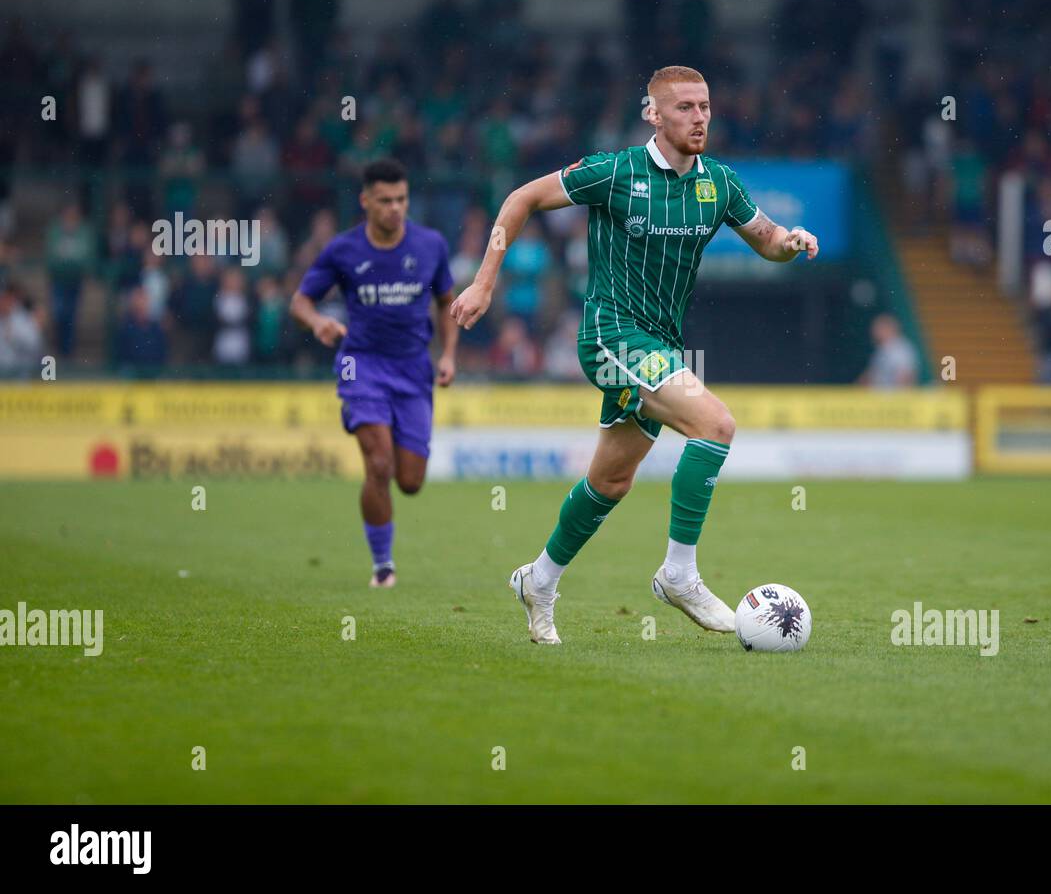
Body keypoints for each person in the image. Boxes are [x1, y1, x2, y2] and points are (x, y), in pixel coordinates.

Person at [450, 65, 819, 644]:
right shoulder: (613, 171)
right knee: (715, 424)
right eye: (684, 108)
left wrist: (791, 241)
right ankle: (679, 573)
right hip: (611, 335)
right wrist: (484, 281)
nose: (698, 118)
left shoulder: (718, 182)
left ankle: (538, 580)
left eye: (704, 107)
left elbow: (767, 239)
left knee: (612, 480)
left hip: (661, 344)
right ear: (653, 114)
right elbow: (520, 199)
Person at [290, 159, 457, 587]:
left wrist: (449, 354)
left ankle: (384, 547)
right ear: (365, 201)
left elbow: (446, 302)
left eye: (401, 199)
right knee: (378, 464)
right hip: (359, 363)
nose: (395, 208)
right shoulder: (343, 250)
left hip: (413, 367)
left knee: (411, 480)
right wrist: (318, 323)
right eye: (385, 201)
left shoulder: (430, 245)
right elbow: (300, 302)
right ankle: (383, 565)